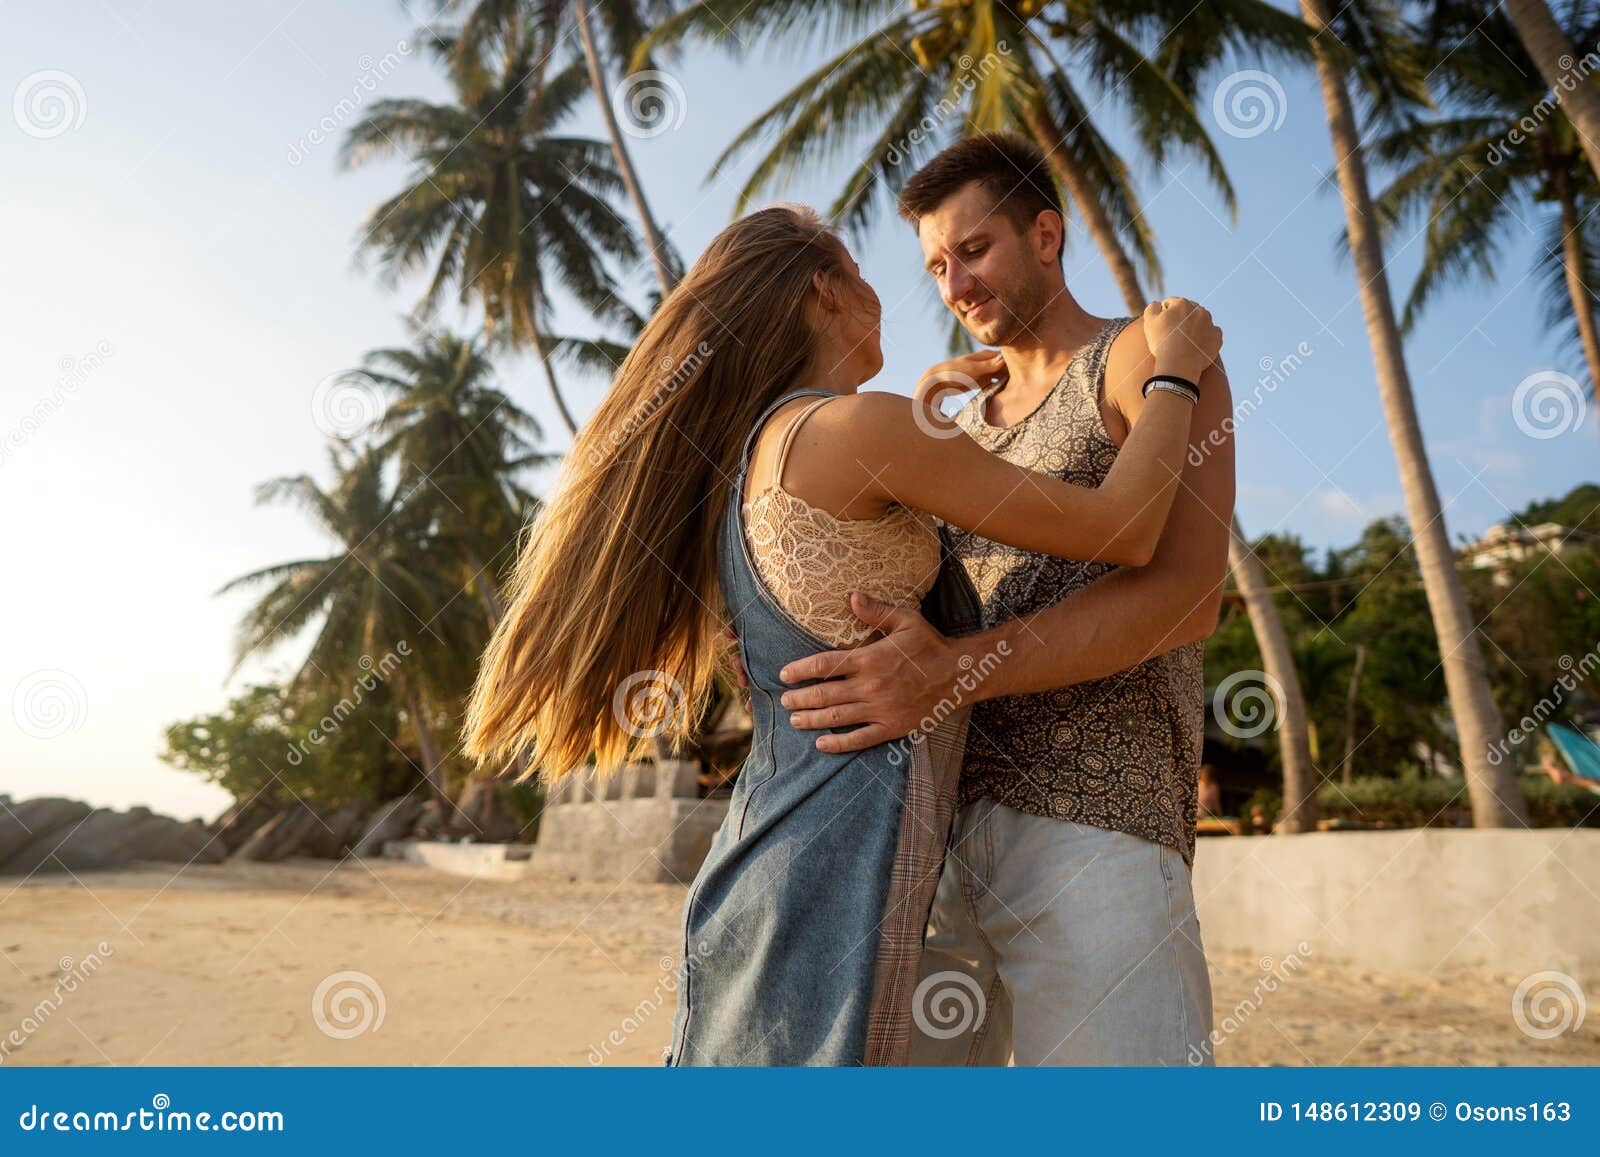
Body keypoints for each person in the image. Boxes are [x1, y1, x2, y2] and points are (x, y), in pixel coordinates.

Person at [461, 201, 1221, 1066]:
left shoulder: (755, 457)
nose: (914, 293)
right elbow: (1125, 527)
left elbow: (869, 536)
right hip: (838, 884)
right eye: (867, 275)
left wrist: (926, 411)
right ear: (825, 291)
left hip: (771, 858)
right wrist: (1176, 372)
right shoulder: (863, 430)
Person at [776, 132, 1236, 1066]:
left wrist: (955, 673)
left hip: (1096, 822)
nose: (955, 285)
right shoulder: (950, 424)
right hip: (934, 840)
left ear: (1046, 235)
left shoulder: (1148, 358)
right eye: (937, 266)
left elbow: (1187, 595)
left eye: (975, 250)